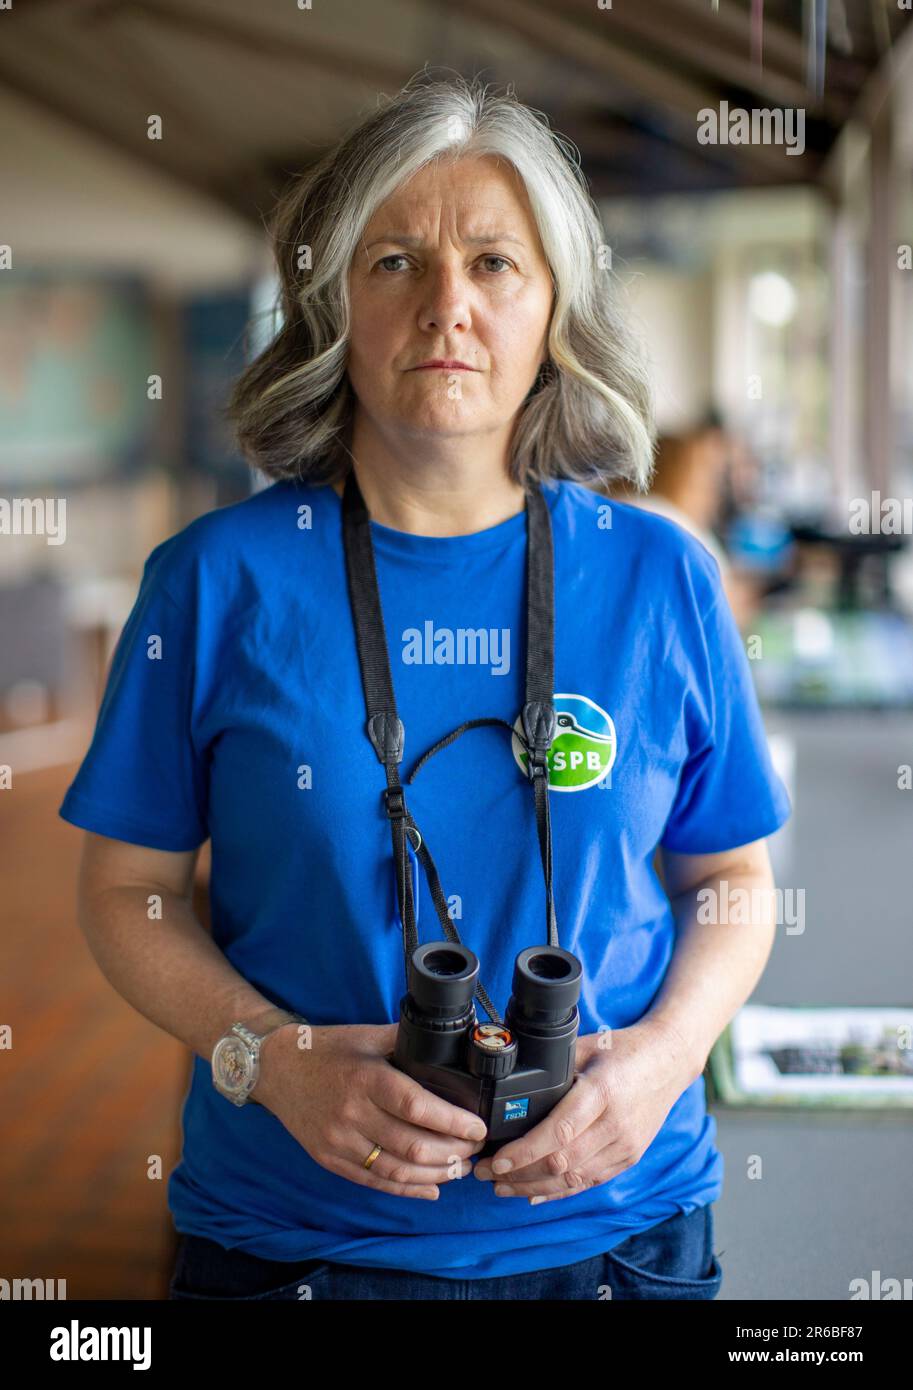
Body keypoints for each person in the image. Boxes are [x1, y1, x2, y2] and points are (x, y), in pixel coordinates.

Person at [59, 73, 791, 1301]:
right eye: (396, 261)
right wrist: (270, 1060)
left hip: (619, 1235)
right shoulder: (213, 582)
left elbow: (734, 881)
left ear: (555, 304)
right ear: (333, 301)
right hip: (294, 1242)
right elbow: (124, 893)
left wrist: (663, 1061)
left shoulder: (661, 575)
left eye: (495, 263)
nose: (448, 305)